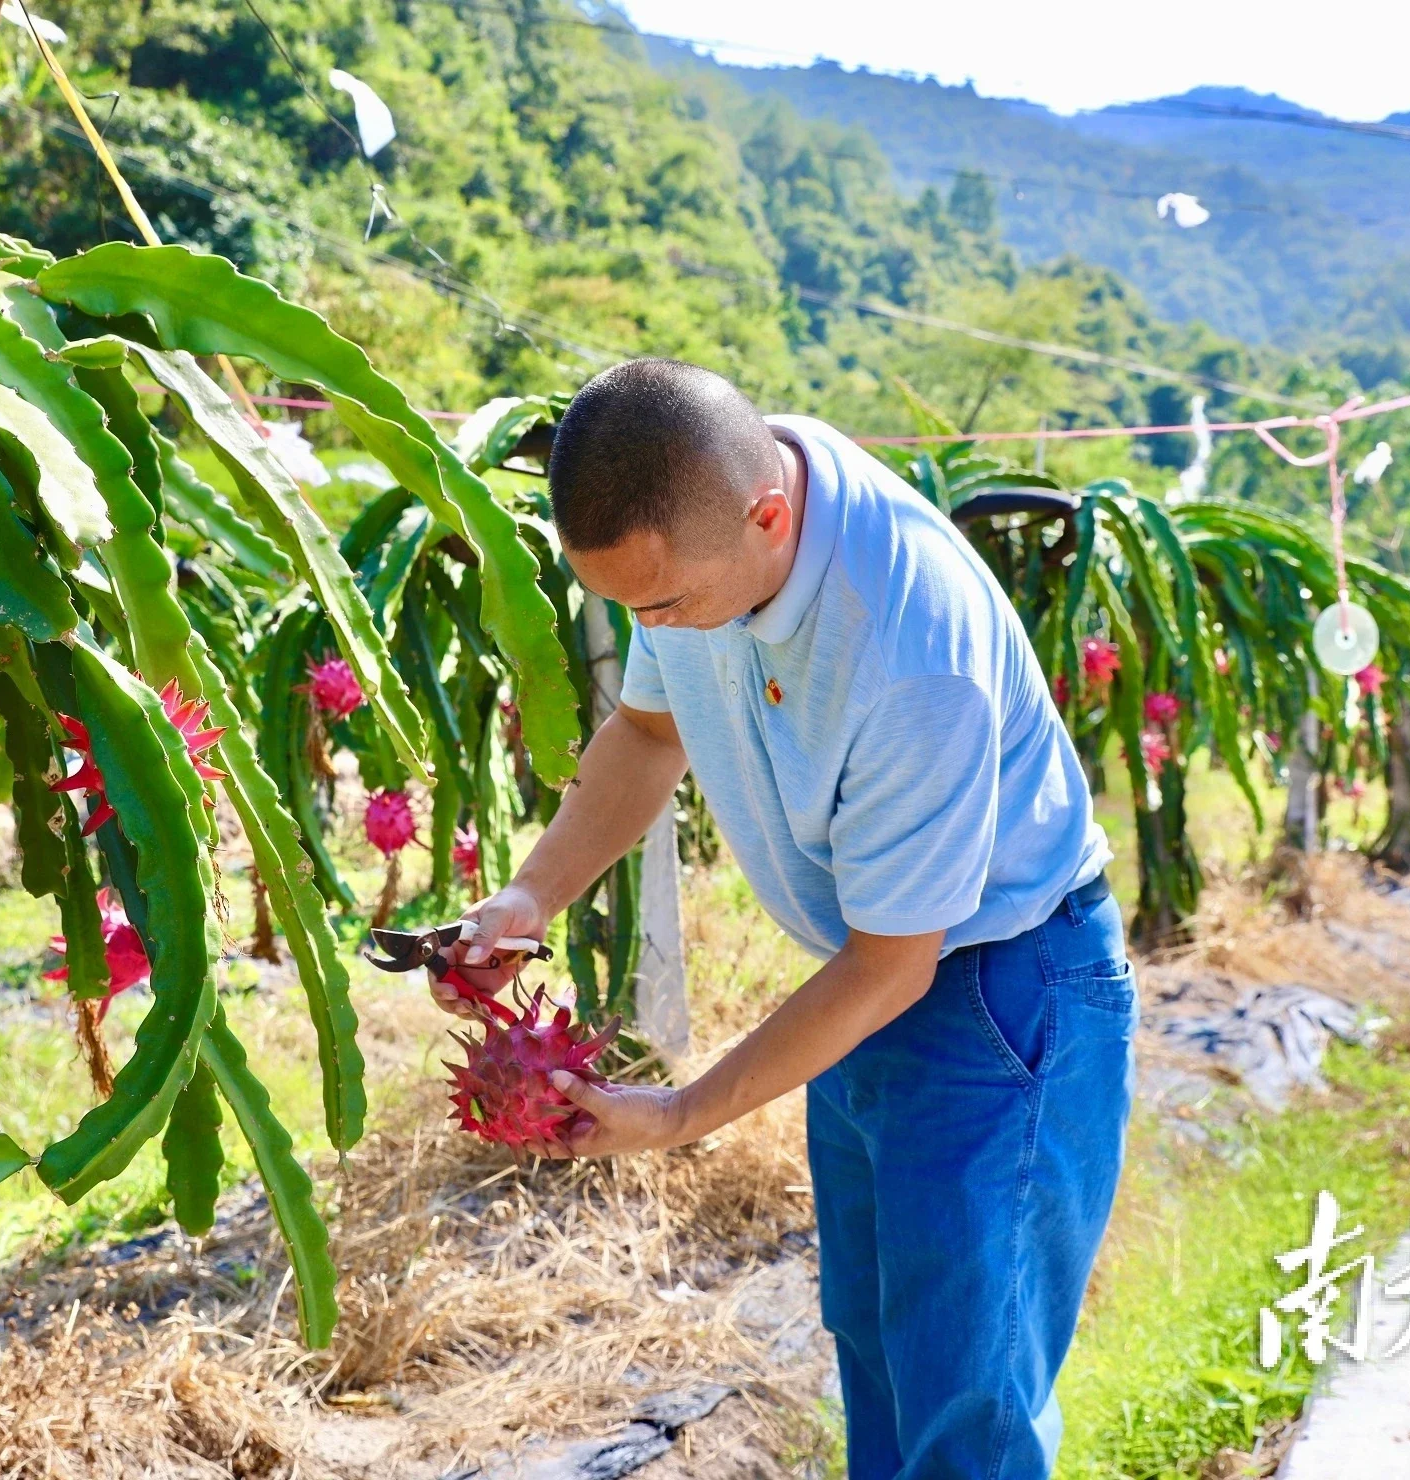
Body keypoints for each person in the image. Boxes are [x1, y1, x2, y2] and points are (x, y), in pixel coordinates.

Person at [437, 359, 1134, 1479]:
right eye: (623, 604)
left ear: (770, 518)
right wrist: (533, 892)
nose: (646, 625)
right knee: (879, 1351)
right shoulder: (701, 512)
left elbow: (892, 965)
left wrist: (676, 1115)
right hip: (876, 976)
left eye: (659, 607)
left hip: (1002, 995)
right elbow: (651, 734)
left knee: (967, 1410)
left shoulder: (913, 645)